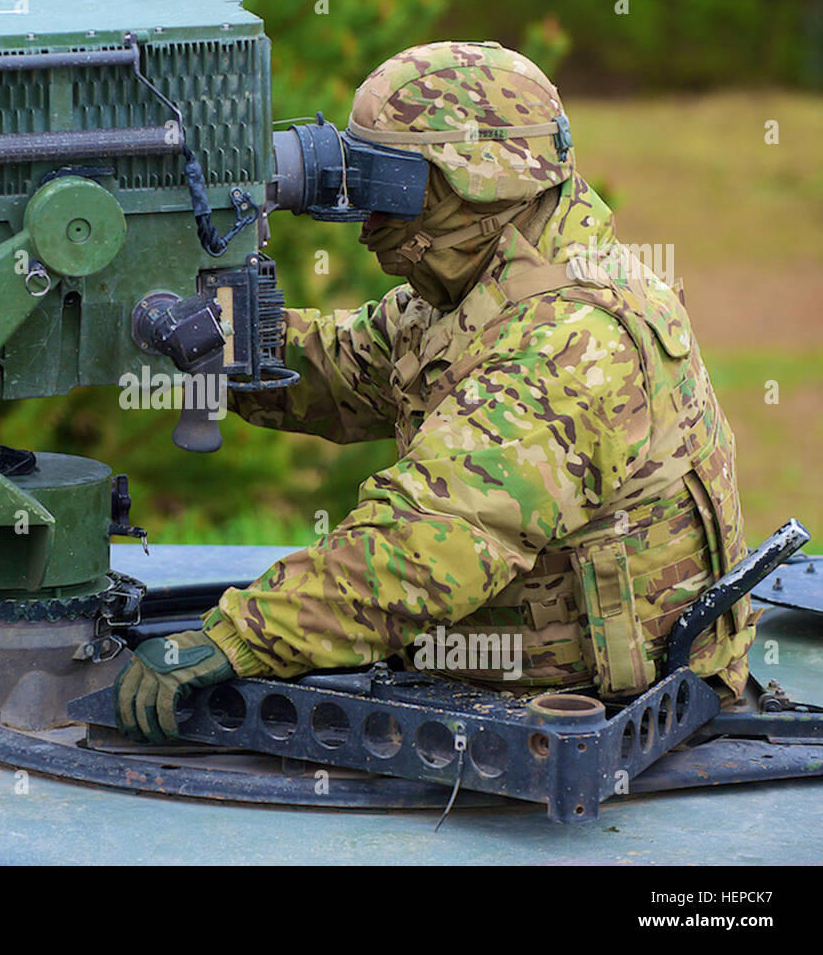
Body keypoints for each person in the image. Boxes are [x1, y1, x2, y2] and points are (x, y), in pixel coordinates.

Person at [115, 41, 751, 744]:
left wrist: (243, 635)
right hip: (490, 681)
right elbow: (339, 371)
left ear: (474, 183)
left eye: (390, 187)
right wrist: (196, 333)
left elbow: (431, 540)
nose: (366, 225)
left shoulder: (575, 338)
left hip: (590, 714)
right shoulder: (482, 280)